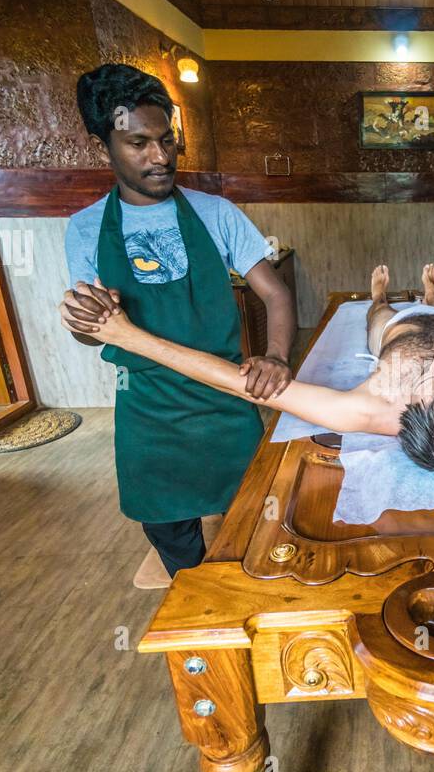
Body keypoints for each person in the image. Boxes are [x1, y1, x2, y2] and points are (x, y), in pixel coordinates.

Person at [58, 63, 296, 578]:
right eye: (139, 143)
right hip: (147, 411)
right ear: (106, 147)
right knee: (171, 533)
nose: (160, 157)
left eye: (167, 140)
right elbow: (90, 329)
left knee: (256, 516)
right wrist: (85, 319)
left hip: (224, 396)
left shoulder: (216, 213)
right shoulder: (86, 229)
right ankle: (198, 613)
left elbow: (275, 294)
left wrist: (276, 357)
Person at [63, 263, 434, 480]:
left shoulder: (368, 410)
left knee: (377, 319)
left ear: (413, 413)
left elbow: (239, 384)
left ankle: (379, 300)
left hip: (394, 335)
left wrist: (126, 336)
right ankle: (432, 294)